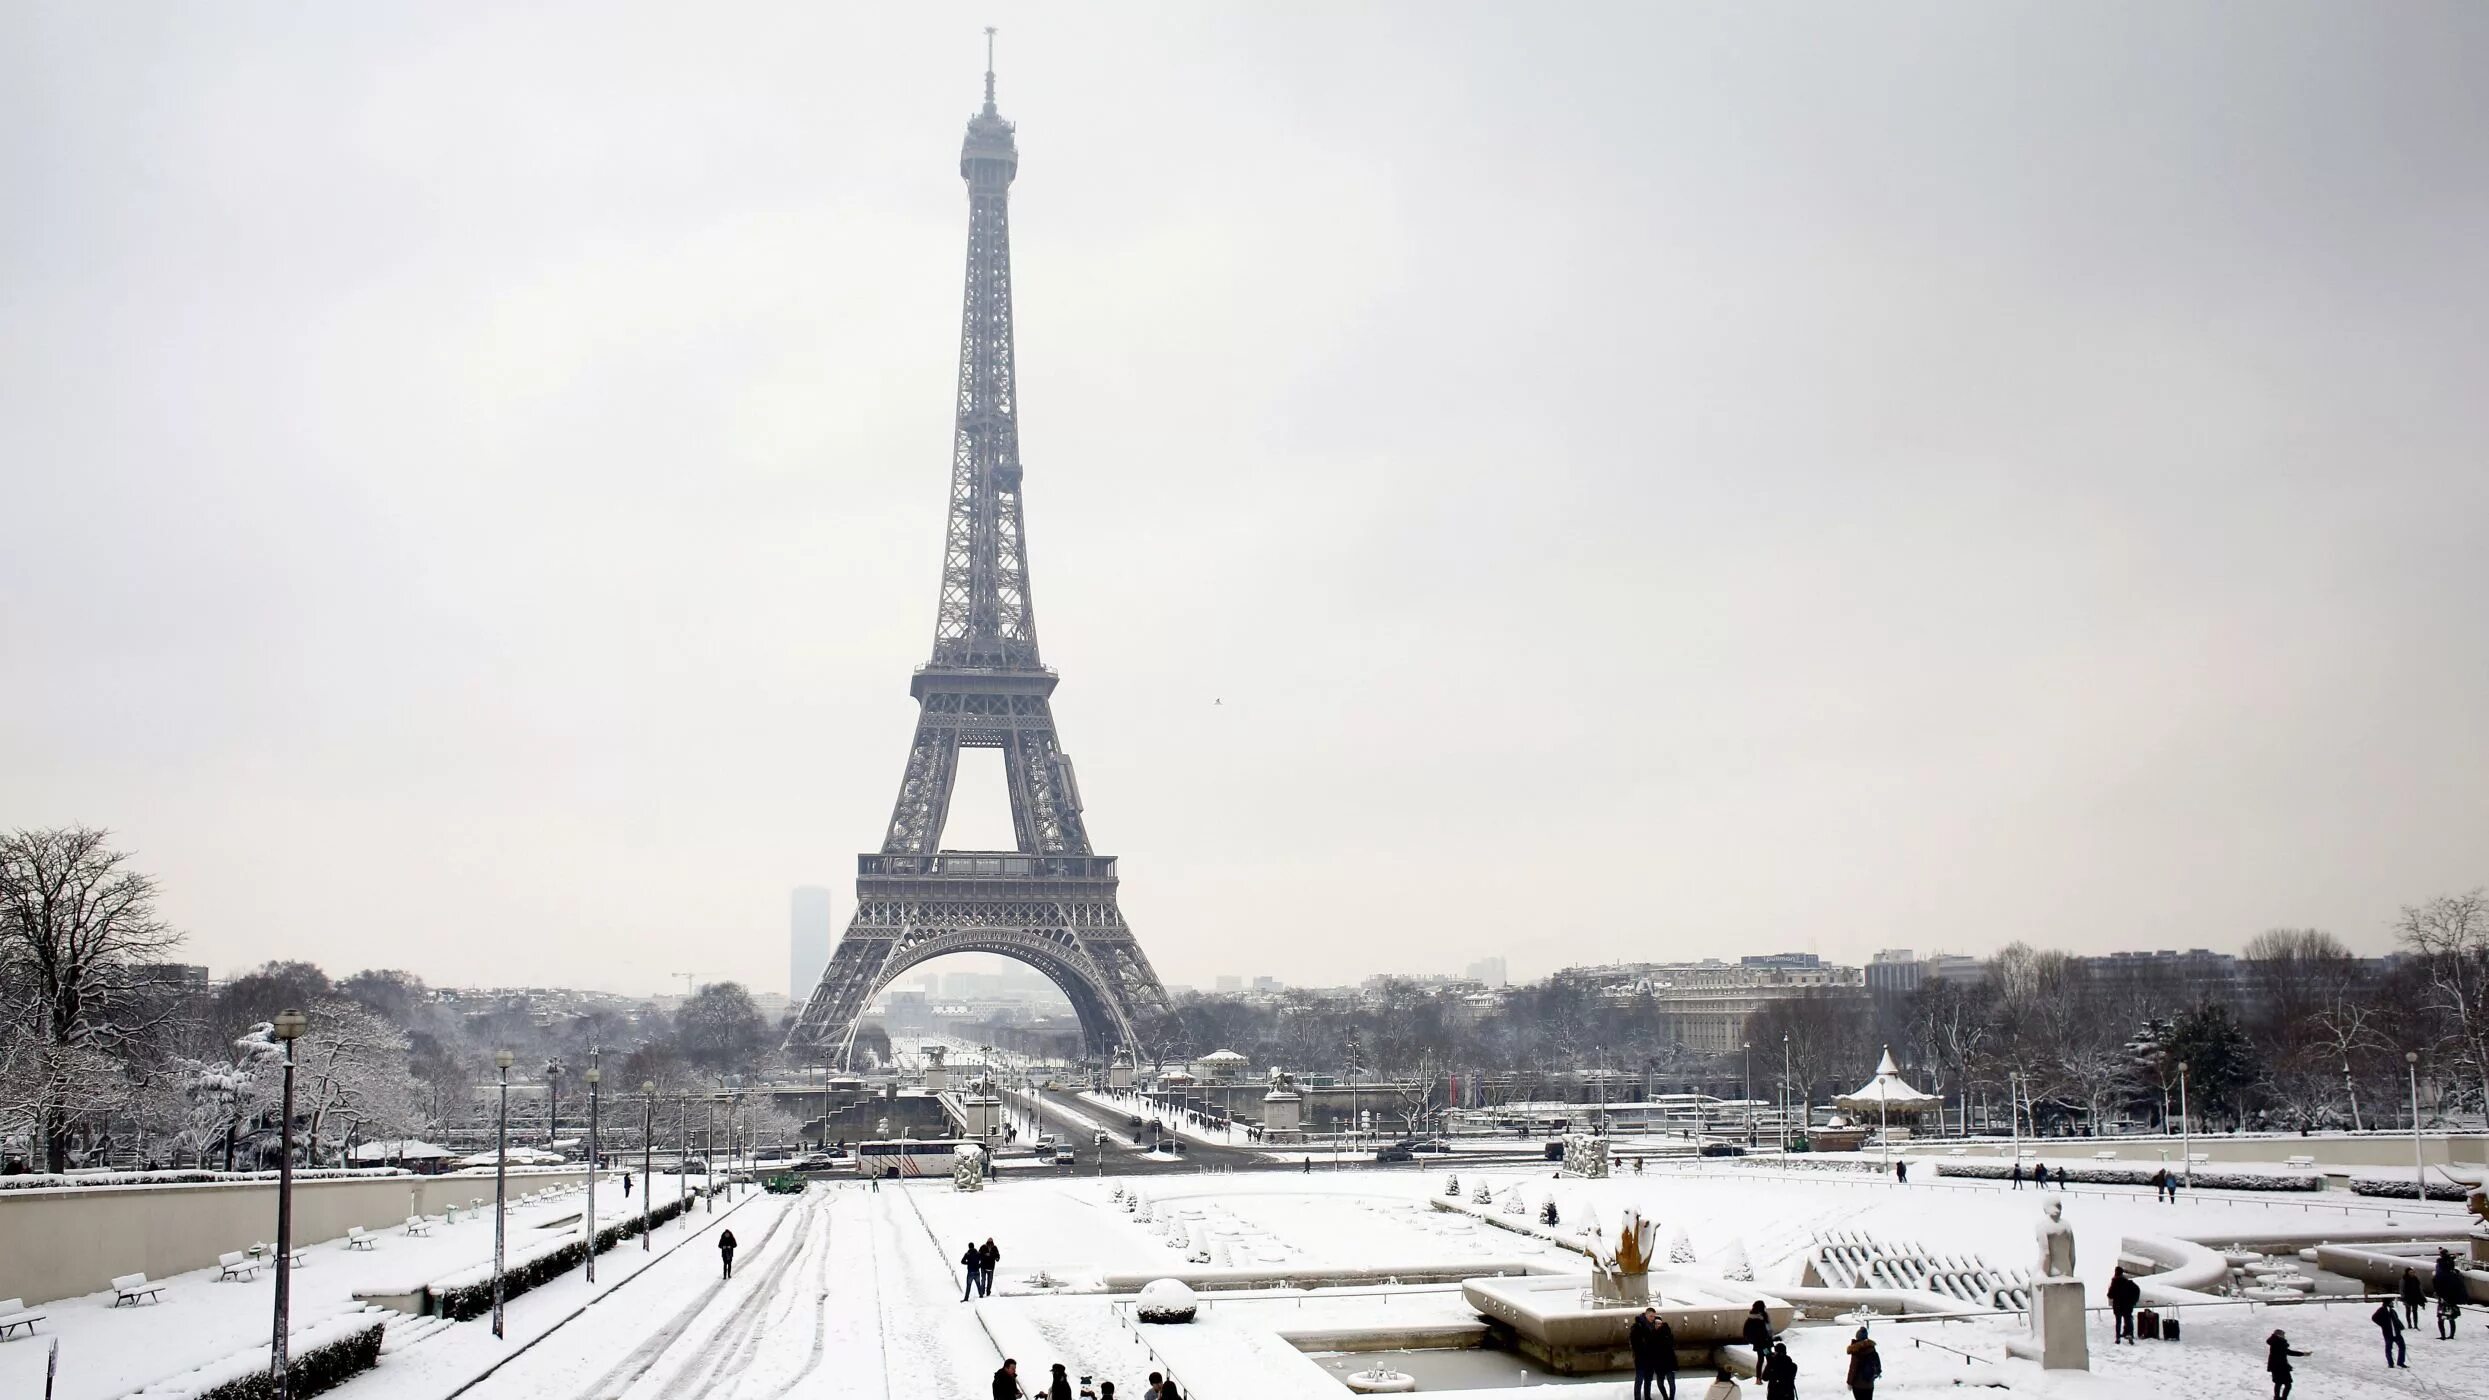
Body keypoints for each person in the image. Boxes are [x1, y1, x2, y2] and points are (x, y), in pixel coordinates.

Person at [1629, 1306, 1676, 1400]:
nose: (1652, 1318)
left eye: (1654, 1316)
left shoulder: (1654, 1326)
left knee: (1648, 1380)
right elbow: (1634, 1343)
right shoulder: (1638, 1326)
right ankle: (1637, 1398)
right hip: (1641, 1358)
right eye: (1651, 1316)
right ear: (1645, 1315)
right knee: (1639, 1379)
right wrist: (1640, 1352)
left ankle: (1647, 1397)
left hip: (1651, 1359)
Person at [2265, 1330, 2307, 1400]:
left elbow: (2286, 1352)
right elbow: (2288, 1352)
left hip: (2276, 1366)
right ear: (2279, 1335)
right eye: (2283, 1334)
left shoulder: (2275, 1342)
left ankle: (2277, 1398)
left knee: (2279, 1383)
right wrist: (2303, 1354)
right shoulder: (2278, 1343)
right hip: (2280, 1367)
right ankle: (2282, 1398)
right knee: (2287, 1384)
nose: (2284, 1336)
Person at [2107, 1266, 2141, 1343]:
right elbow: (2136, 1290)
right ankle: (2129, 1334)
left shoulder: (2115, 1282)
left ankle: (2118, 1337)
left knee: (2118, 1321)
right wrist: (2134, 1301)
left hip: (2118, 1306)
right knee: (2128, 1320)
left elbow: (2110, 1295)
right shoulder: (2127, 1282)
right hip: (2127, 1305)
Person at [1845, 1327, 1881, 1400]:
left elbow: (1853, 1368)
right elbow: (1878, 1366)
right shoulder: (1872, 1349)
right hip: (1869, 1384)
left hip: (1858, 1385)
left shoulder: (1856, 1350)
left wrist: (1849, 1382)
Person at [2373, 1297, 2409, 1368]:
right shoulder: (2381, 1310)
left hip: (2396, 1333)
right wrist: (2383, 1325)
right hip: (2388, 1333)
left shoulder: (2393, 1311)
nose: (2392, 1303)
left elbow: (2396, 1320)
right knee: (2389, 1348)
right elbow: (2374, 1318)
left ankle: (2400, 1362)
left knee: (2402, 1347)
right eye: (2391, 1302)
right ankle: (2390, 1363)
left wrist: (2401, 1327)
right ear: (2387, 1303)